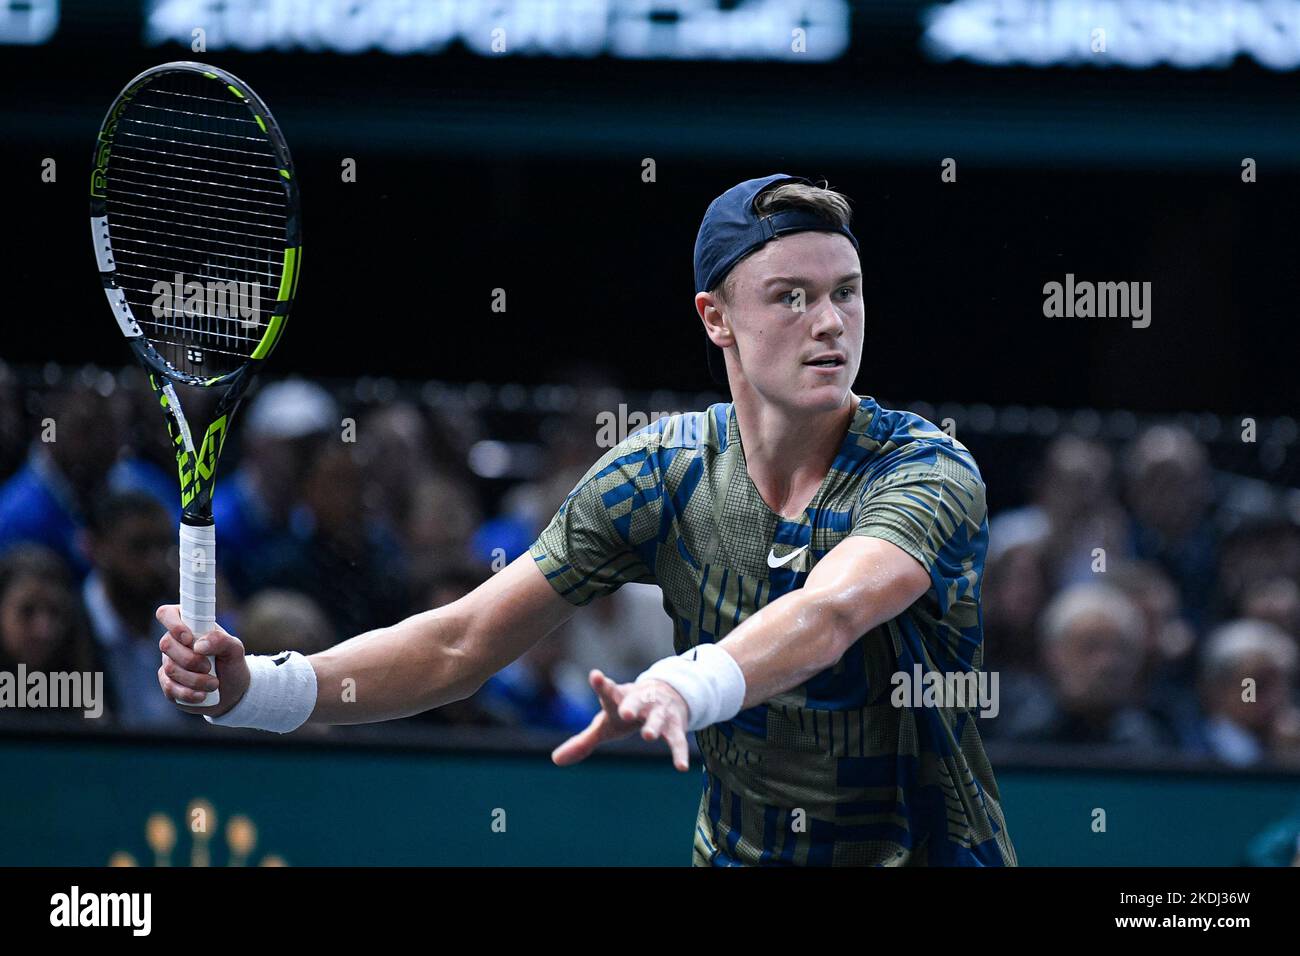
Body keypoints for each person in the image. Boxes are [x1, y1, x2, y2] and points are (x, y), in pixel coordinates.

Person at [154, 174, 1017, 866]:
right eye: (790, 296)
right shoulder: (661, 472)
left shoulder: (926, 466)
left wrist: (686, 683)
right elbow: (462, 644)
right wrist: (258, 691)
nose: (830, 323)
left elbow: (830, 613)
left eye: (846, 293)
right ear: (715, 319)